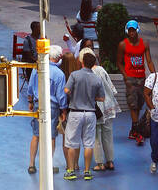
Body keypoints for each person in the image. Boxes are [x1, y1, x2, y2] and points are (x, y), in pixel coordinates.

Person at [63, 51, 104, 181]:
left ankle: (71, 171)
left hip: (75, 112)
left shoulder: (75, 75)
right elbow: (102, 98)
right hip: (90, 114)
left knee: (71, 142)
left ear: (82, 62)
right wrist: (91, 97)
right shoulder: (97, 79)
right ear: (93, 65)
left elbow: (66, 90)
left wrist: (75, 94)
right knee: (88, 144)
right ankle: (87, 171)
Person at [27, 44, 67, 175]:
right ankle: (49, 164)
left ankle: (32, 164)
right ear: (58, 57)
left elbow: (30, 87)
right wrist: (63, 111)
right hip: (53, 107)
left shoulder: (37, 69)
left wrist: (31, 101)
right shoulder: (59, 74)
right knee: (51, 136)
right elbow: (61, 96)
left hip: (39, 104)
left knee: (36, 135)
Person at [117, 20, 155, 145]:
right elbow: (119, 62)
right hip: (131, 79)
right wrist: (126, 76)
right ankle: (137, 130)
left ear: (137, 30)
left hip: (142, 78)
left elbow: (149, 61)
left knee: (139, 103)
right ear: (127, 31)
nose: (132, 32)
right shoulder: (123, 45)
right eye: (130, 30)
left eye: (133, 30)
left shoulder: (145, 43)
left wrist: (154, 75)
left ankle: (134, 129)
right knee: (133, 104)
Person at [92, 54, 120, 172]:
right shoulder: (102, 70)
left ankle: (100, 163)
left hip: (96, 108)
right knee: (108, 134)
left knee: (97, 136)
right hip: (108, 106)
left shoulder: (87, 73)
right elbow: (112, 89)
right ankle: (110, 161)